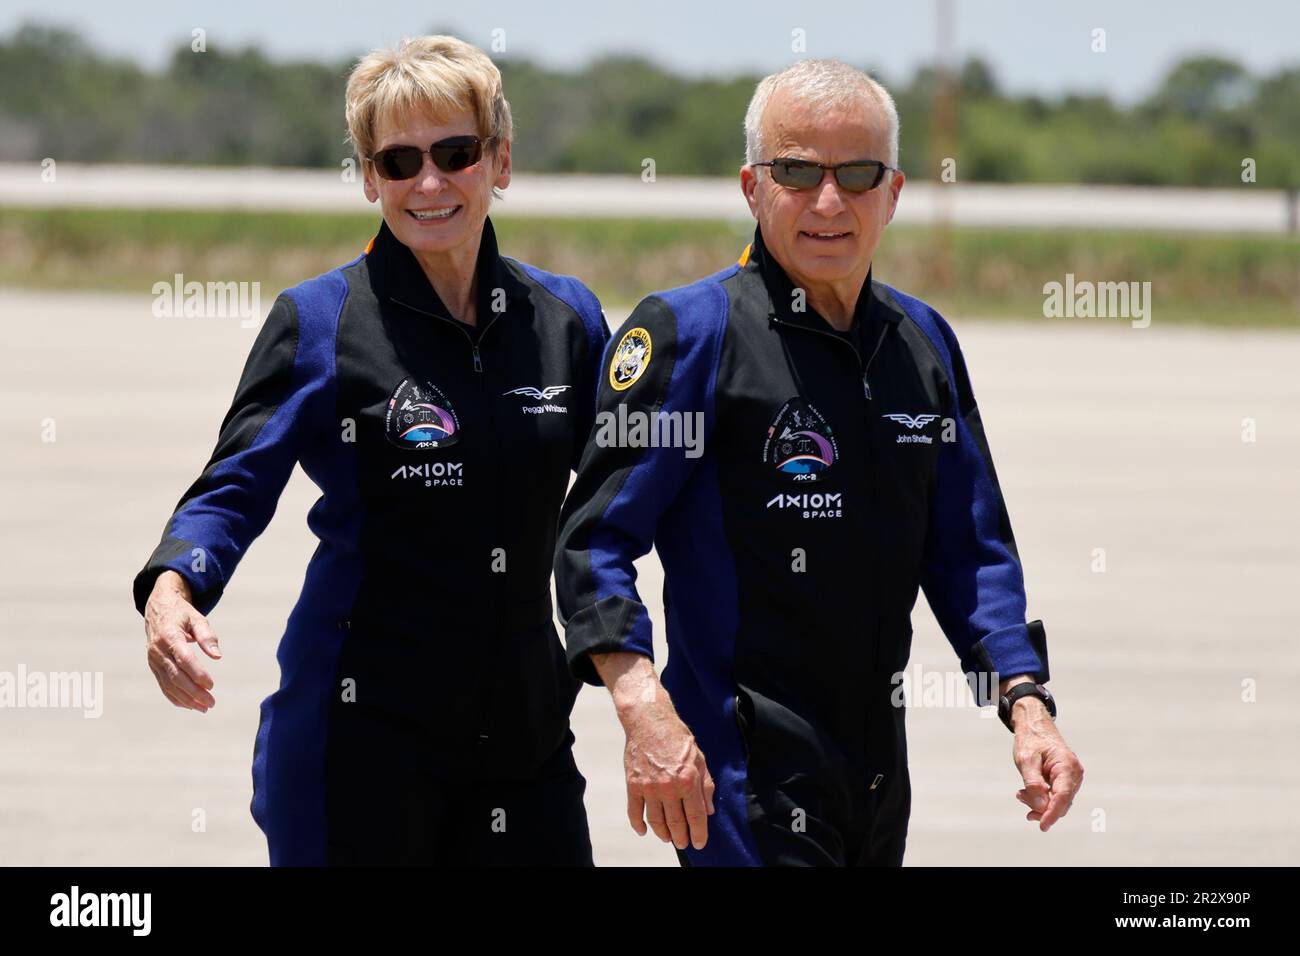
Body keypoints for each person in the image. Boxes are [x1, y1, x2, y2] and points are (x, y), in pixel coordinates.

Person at [554, 58, 1084, 866]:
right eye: (796, 172)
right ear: (751, 187)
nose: (829, 201)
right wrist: (644, 709)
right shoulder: (690, 335)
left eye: (857, 173)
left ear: (895, 192)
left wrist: (1026, 702)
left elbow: (971, 552)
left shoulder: (922, 343)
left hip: (876, 769)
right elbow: (595, 542)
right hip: (742, 768)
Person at [133, 35, 608, 866]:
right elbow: (234, 484)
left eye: (455, 153)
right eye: (398, 161)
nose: (429, 183)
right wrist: (173, 587)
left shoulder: (565, 319)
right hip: (359, 733)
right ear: (366, 177)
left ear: (500, 161)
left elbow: (628, 494)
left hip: (525, 733)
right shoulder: (320, 321)